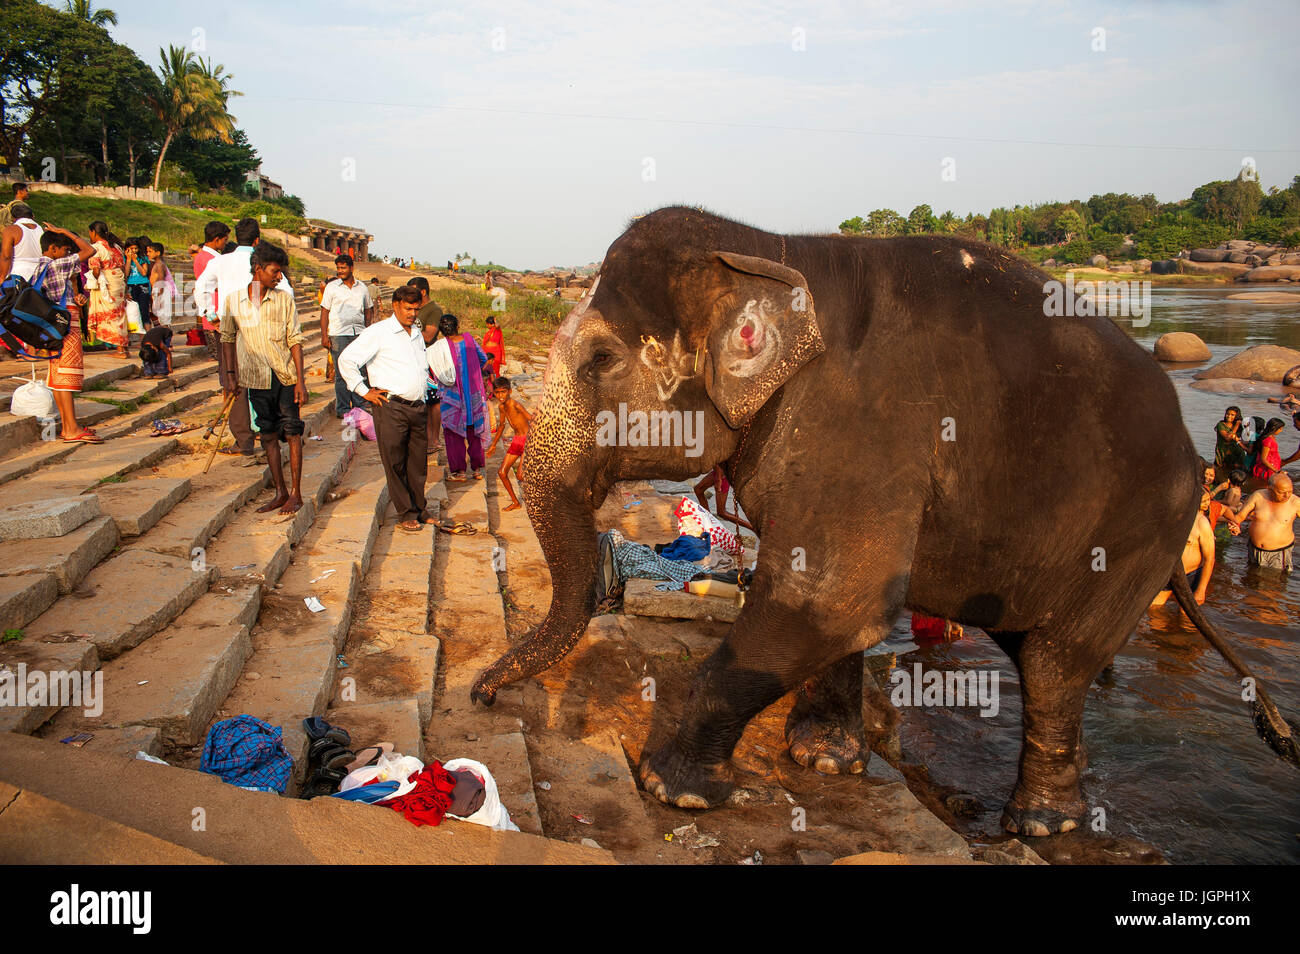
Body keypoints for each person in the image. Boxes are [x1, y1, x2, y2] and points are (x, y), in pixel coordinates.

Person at [196, 217, 294, 459]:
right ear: (257, 239)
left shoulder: (221, 261)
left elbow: (201, 287)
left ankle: (244, 439)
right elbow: (287, 292)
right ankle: (266, 431)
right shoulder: (264, 262)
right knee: (267, 380)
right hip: (263, 329)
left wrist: (210, 314)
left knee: (234, 381)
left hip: (232, 327)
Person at [219, 242, 305, 515]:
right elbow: (228, 339)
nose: (279, 277)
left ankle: (296, 493)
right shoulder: (234, 300)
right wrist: (231, 377)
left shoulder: (283, 299)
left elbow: (295, 340)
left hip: (284, 376)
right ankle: (280, 491)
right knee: (267, 434)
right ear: (258, 270)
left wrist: (301, 381)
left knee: (292, 432)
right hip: (255, 378)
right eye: (275, 271)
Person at [338, 286, 431, 532]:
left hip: (417, 407)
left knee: (418, 462)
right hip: (391, 406)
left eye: (416, 309)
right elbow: (346, 359)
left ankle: (420, 507)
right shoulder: (378, 332)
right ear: (395, 306)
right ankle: (406, 512)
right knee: (395, 461)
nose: (412, 313)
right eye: (408, 308)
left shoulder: (417, 333)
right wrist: (362, 390)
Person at [29, 224, 102, 443]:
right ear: (53, 249)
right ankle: (71, 428)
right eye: (65, 249)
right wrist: (66, 232)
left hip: (52, 326)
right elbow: (90, 250)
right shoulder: (56, 264)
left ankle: (68, 426)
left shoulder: (40, 266)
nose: (68, 254)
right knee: (68, 376)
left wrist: (76, 297)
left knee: (59, 376)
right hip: (65, 324)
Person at [430, 312, 492, 481]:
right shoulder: (470, 340)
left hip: (452, 397)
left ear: (441, 331)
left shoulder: (439, 348)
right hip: (472, 394)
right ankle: (478, 469)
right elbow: (483, 359)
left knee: (453, 434)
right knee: (474, 432)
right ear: (457, 326)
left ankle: (459, 472)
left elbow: (433, 369)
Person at [319, 253, 373, 418]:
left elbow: (368, 309)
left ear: (351, 268)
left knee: (360, 370)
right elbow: (324, 312)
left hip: (358, 334)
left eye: (343, 268)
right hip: (338, 334)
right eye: (338, 268)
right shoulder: (332, 288)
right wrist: (324, 335)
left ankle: (359, 405)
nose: (340, 271)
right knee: (341, 373)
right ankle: (343, 409)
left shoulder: (362, 288)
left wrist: (368, 329)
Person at [1226, 472, 1300, 572]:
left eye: (1290, 491)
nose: (1286, 495)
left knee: (1273, 583)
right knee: (1252, 578)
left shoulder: (1295, 503)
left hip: (1278, 553)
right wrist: (1234, 525)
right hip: (1254, 549)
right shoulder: (1258, 496)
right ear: (1269, 489)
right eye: (1281, 492)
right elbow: (1240, 516)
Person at [1150, 509, 1216, 606]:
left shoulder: (1201, 522)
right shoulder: (1170, 516)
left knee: (1186, 616)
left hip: (1191, 575)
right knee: (1154, 609)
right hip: (1167, 573)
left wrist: (1201, 590)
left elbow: (1210, 558)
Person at [485, 376, 532, 511]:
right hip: (517, 440)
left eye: (503, 392)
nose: (500, 395)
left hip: (527, 440)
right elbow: (501, 427)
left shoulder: (516, 405)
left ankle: (538, 497)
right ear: (494, 393)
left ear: (510, 392)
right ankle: (515, 502)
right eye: (498, 392)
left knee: (520, 475)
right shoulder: (501, 407)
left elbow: (530, 418)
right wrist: (493, 445)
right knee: (502, 472)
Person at [85, 220, 129, 358]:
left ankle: (121, 350)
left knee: (111, 316)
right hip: (119, 282)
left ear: (93, 232)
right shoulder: (115, 246)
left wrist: (93, 277)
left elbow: (96, 270)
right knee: (119, 315)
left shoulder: (96, 248)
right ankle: (123, 348)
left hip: (108, 283)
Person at [190, 221, 231, 358]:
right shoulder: (212, 259)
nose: (225, 243)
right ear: (217, 239)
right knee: (223, 356)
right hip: (216, 309)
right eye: (225, 240)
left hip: (211, 310)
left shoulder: (202, 256)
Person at [693, 465, 755, 531]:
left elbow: (720, 462)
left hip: (722, 477)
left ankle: (752, 527)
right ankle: (708, 519)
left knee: (721, 512)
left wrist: (719, 479)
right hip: (716, 473)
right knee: (698, 489)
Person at [124, 235, 153, 330]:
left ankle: (148, 335)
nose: (134, 251)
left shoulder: (143, 258)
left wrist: (136, 261)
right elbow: (126, 274)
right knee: (133, 311)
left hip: (142, 285)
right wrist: (128, 260)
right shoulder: (125, 259)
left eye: (136, 248)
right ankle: (139, 334)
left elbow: (144, 273)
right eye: (131, 248)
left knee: (144, 311)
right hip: (131, 285)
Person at [144, 242, 176, 326]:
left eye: (150, 251)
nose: (148, 254)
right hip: (158, 291)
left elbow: (161, 281)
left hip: (161, 292)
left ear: (157, 253)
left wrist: (159, 295)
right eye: (147, 251)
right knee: (161, 316)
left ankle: (166, 337)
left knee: (164, 318)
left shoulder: (159, 265)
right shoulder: (157, 264)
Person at [1213, 406, 1248, 480]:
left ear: (1236, 416)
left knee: (1235, 472)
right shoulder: (1221, 424)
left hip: (1235, 452)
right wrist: (1237, 425)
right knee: (1219, 471)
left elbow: (1242, 439)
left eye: (1232, 415)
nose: (1229, 416)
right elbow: (1228, 438)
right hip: (1223, 451)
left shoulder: (1239, 426)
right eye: (1227, 414)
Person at [1249, 418, 1286, 484]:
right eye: (1280, 429)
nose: (1281, 431)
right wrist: (1276, 471)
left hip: (1271, 467)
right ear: (1274, 428)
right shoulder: (1268, 440)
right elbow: (1263, 459)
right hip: (1267, 470)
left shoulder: (1271, 437)